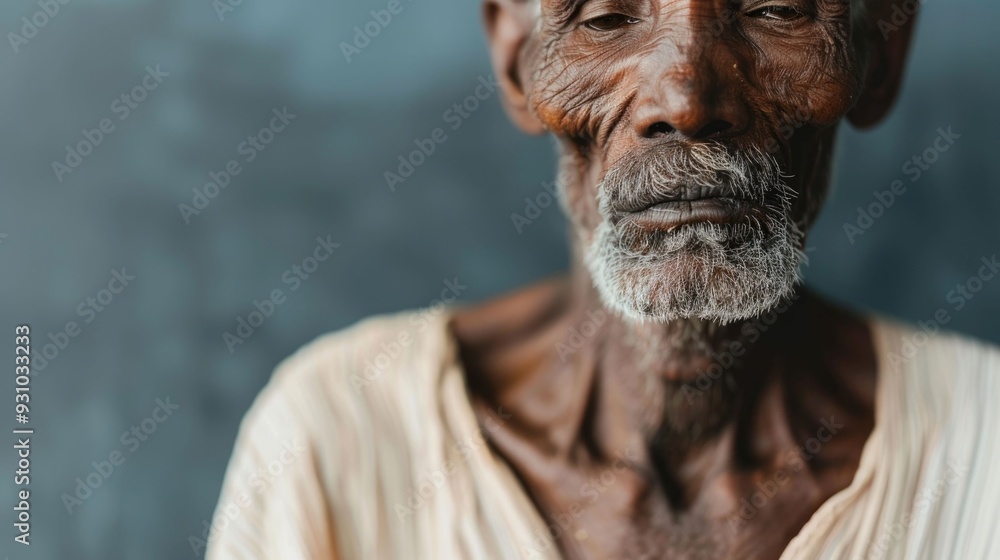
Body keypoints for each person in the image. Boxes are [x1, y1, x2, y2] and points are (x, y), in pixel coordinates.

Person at [207, 0, 1000, 558]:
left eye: (775, 9)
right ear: (518, 56)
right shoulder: (341, 438)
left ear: (880, 50)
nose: (685, 99)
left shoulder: (982, 454)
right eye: (607, 17)